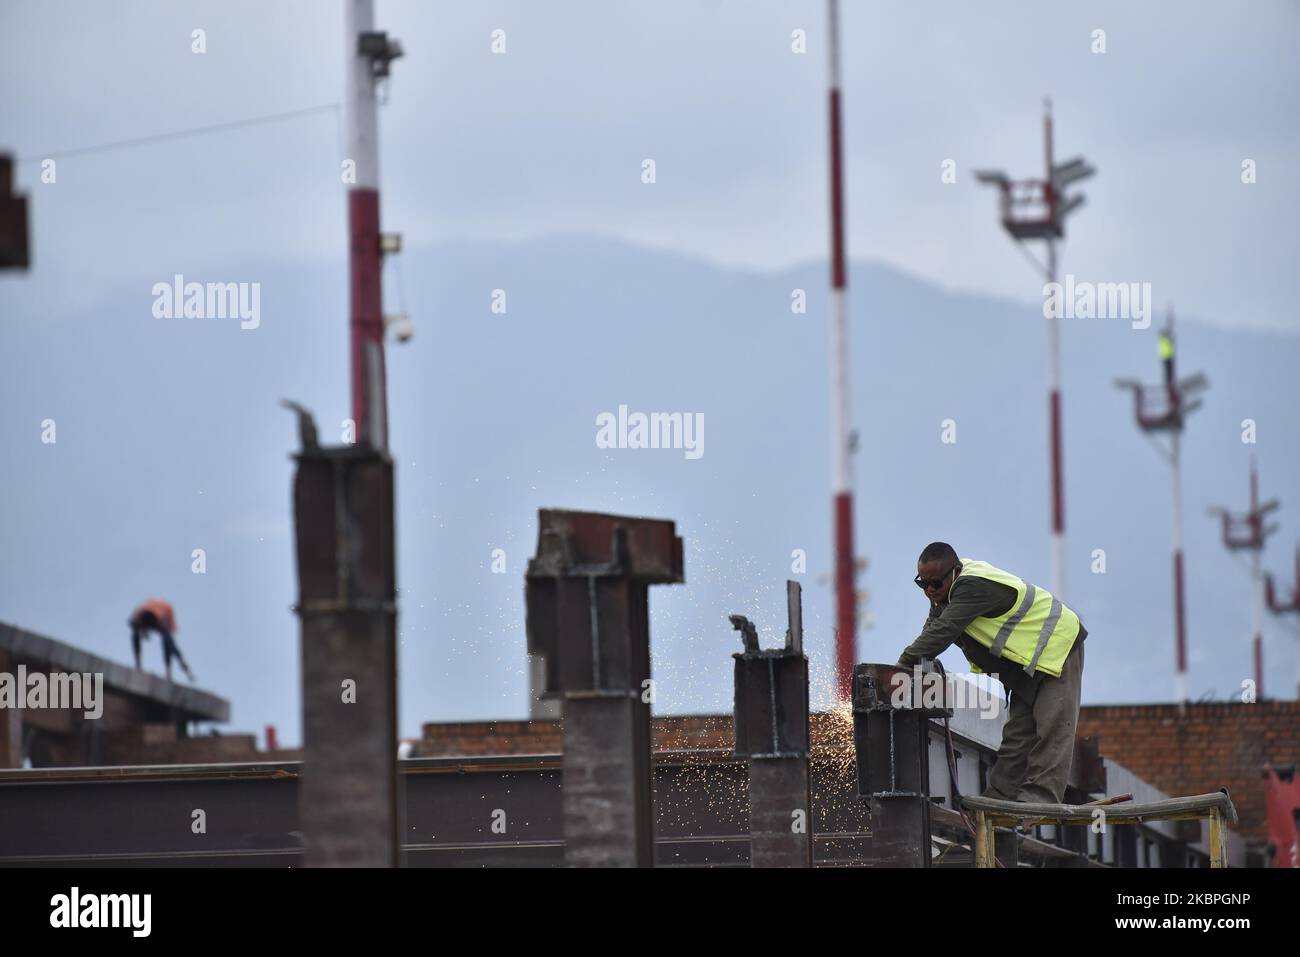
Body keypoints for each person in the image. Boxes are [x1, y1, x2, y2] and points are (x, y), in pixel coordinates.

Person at [896, 542, 1085, 804]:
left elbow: (943, 632)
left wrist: (899, 667)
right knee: (1018, 734)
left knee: (1053, 726)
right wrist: (910, 668)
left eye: (935, 583)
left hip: (1058, 648)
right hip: (1026, 664)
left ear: (955, 572)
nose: (929, 590)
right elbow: (931, 631)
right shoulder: (943, 594)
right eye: (922, 584)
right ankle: (1000, 799)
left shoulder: (971, 587)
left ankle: (1041, 799)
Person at [128, 598, 195, 682]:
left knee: (167, 641)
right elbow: (172, 644)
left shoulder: (164, 610)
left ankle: (139, 665)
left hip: (150, 616)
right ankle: (167, 672)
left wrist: (181, 661)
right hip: (147, 615)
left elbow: (171, 645)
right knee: (167, 639)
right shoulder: (152, 608)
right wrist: (181, 660)